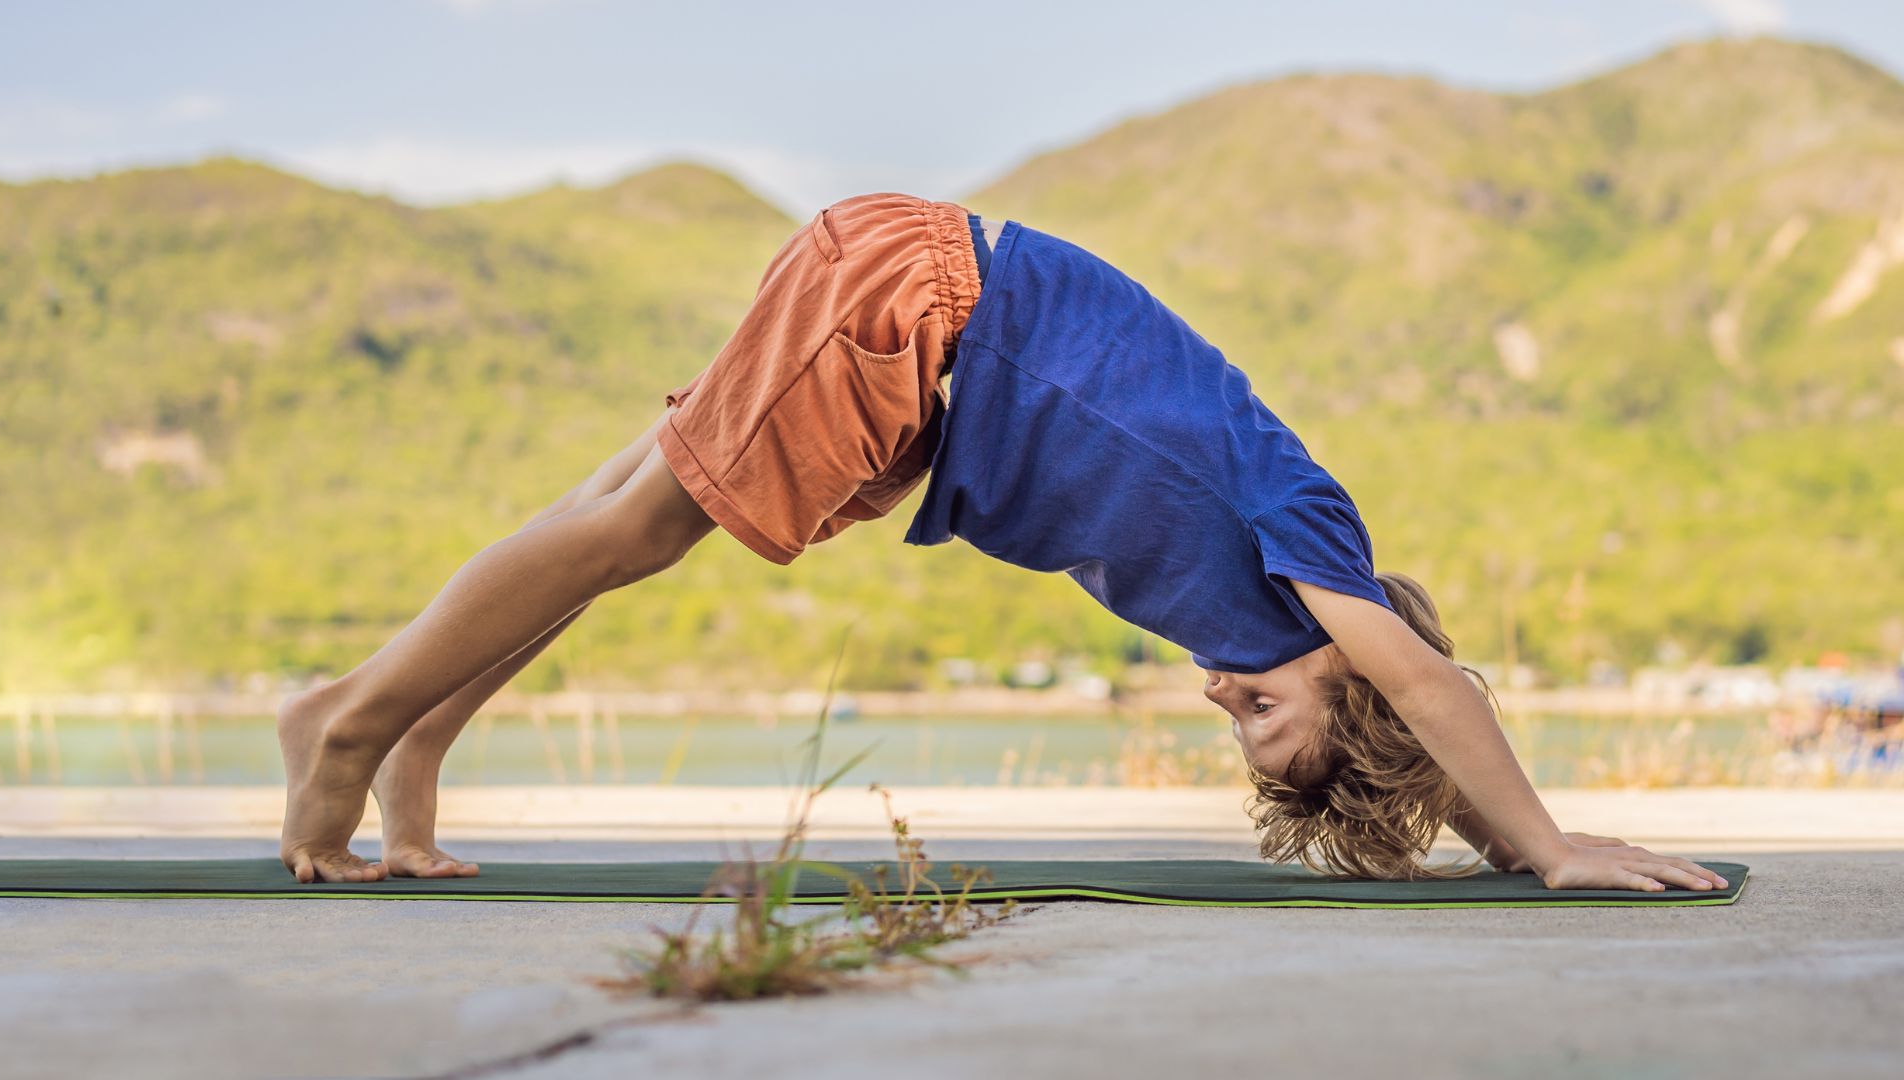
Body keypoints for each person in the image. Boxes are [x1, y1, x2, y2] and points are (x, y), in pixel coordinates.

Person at [277, 193, 1727, 895]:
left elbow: (1405, 737)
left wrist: (1483, 840)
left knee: (624, 518)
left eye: (1241, 732)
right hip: (930, 309)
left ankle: (411, 732)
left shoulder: (1267, 622)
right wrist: (1547, 848)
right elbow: (1429, 696)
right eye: (1269, 712)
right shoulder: (1314, 550)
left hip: (929, 360)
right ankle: (350, 729)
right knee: (636, 529)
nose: (1232, 702)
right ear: (1345, 670)